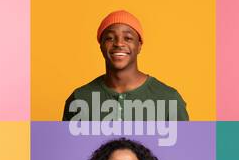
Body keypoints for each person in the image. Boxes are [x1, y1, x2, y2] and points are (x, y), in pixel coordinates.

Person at [61, 10, 189, 121]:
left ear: (139, 46)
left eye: (127, 38)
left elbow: (184, 148)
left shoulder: (169, 99)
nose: (119, 44)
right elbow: (69, 148)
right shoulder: (80, 98)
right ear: (101, 45)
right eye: (110, 38)